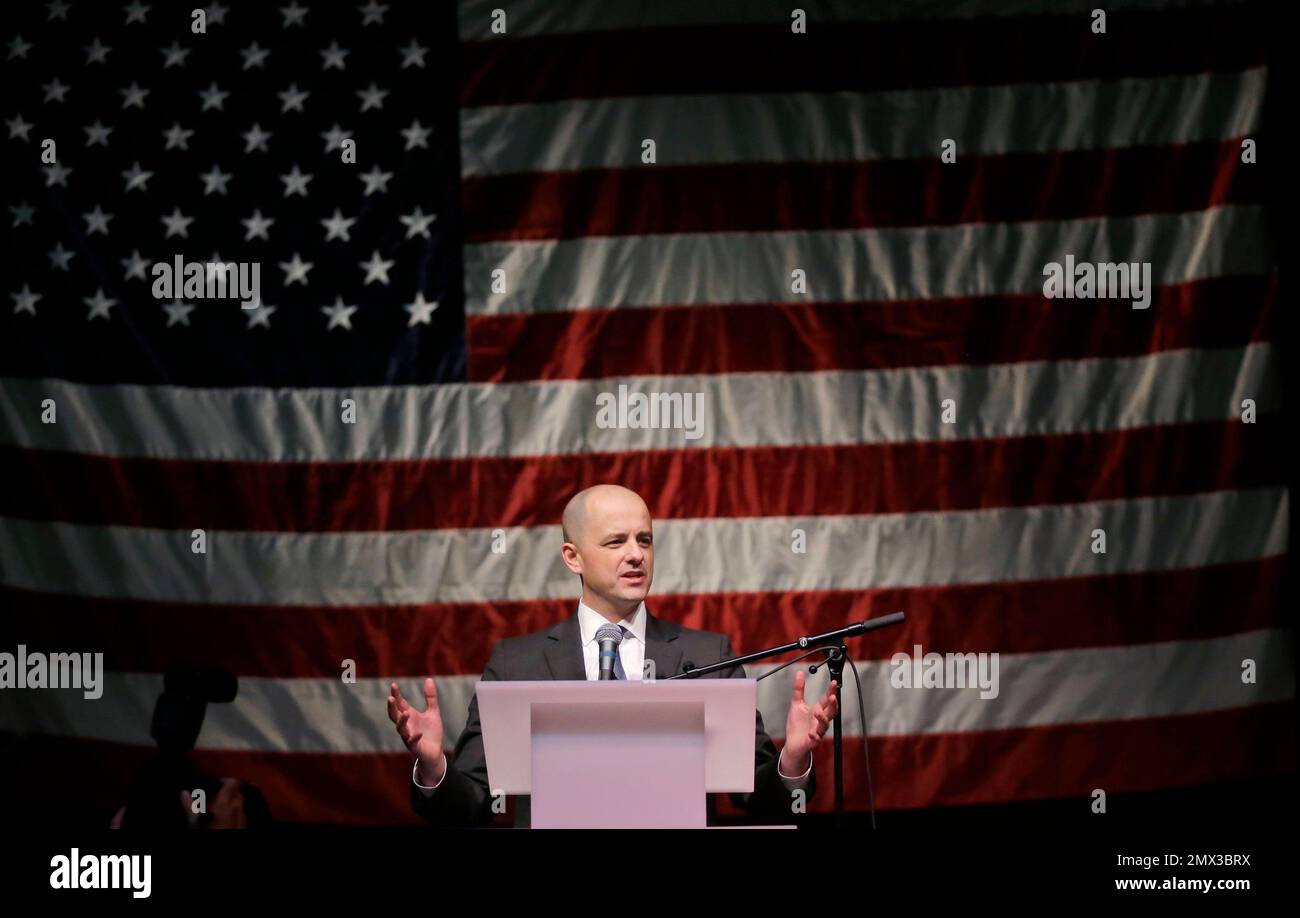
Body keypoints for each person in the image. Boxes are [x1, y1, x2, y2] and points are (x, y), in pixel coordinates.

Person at [388, 484, 838, 826]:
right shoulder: (515, 664)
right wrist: (434, 768)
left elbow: (755, 798)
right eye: (615, 542)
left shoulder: (706, 655)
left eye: (644, 540)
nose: (636, 555)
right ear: (573, 557)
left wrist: (793, 760)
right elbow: (473, 801)